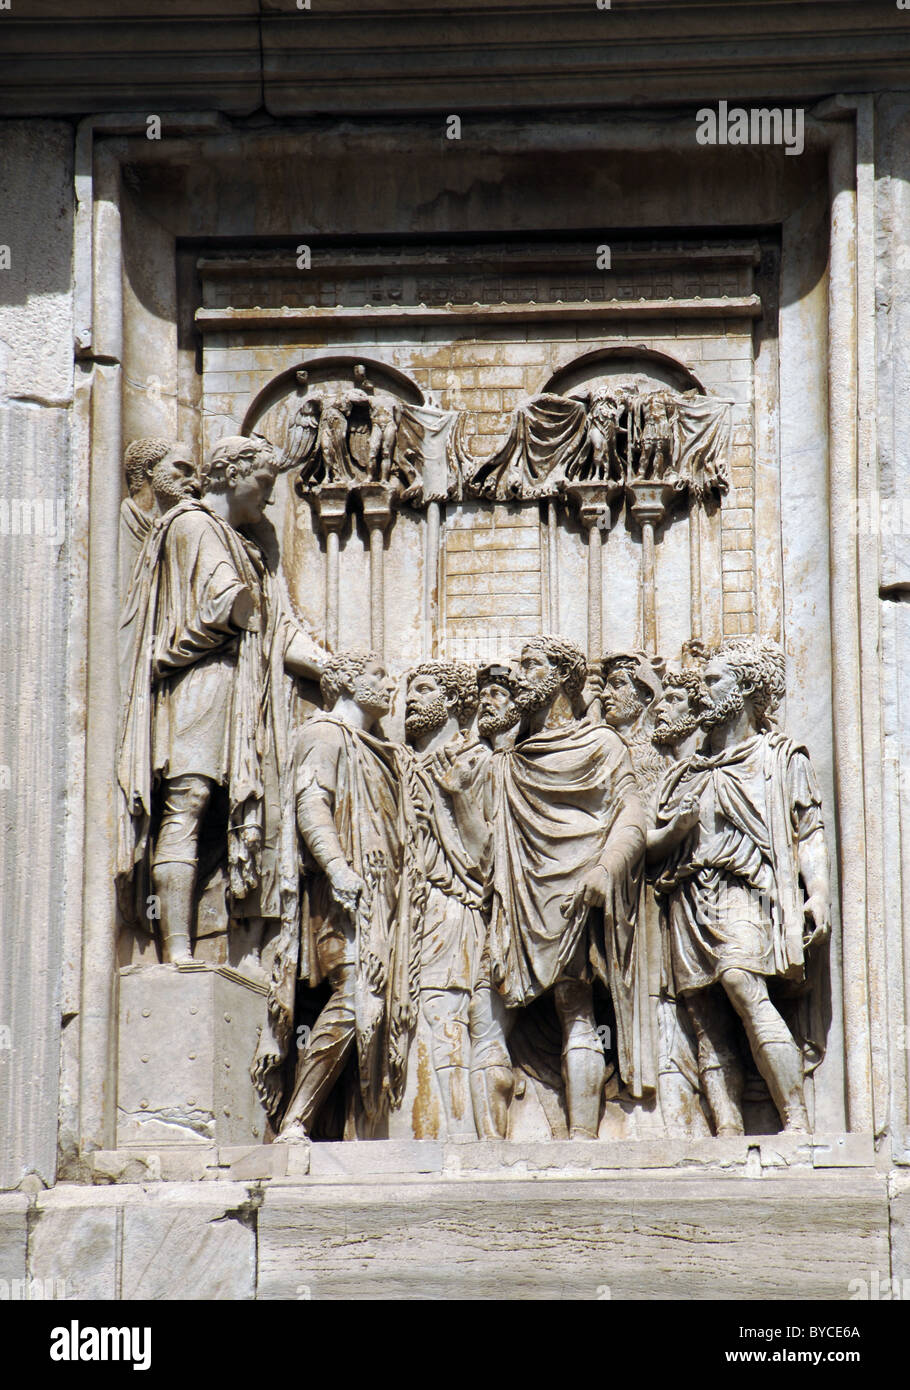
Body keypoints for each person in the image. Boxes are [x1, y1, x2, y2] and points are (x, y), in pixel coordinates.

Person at [649, 636, 831, 1134]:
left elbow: (807, 830)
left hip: (746, 887)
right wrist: (674, 832)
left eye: (713, 681)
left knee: (741, 983)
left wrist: (818, 890)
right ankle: (726, 1133)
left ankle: (796, 1120)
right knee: (704, 1016)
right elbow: (653, 843)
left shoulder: (779, 757)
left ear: (748, 687)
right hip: (689, 895)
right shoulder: (685, 771)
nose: (701, 691)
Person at [487, 635, 649, 1138]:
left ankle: (582, 1136)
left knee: (574, 1002)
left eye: (530, 664)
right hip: (517, 894)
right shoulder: (509, 758)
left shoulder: (601, 744)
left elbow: (632, 815)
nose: (518, 674)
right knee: (488, 1011)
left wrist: (606, 868)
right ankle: (487, 1137)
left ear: (561, 676)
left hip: (577, 887)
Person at [273, 653, 423, 1141]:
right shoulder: (325, 734)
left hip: (383, 896)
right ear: (345, 682)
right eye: (378, 674)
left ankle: (358, 1133)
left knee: (374, 1010)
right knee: (355, 997)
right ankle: (296, 1119)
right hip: (344, 896)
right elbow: (312, 802)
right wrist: (337, 866)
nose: (390, 682)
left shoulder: (380, 749)